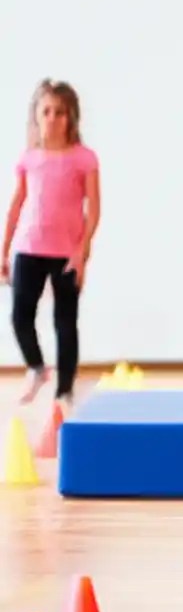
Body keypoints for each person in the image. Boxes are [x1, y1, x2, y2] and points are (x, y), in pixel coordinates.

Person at [1, 79, 100, 406]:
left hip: (66, 255)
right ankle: (36, 367)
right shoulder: (30, 158)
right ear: (36, 116)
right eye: (47, 111)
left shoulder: (83, 158)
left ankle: (65, 389)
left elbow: (94, 209)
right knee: (20, 315)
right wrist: (4, 252)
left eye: (61, 112)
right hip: (29, 249)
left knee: (65, 322)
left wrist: (82, 253)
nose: (54, 118)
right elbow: (16, 206)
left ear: (71, 117)